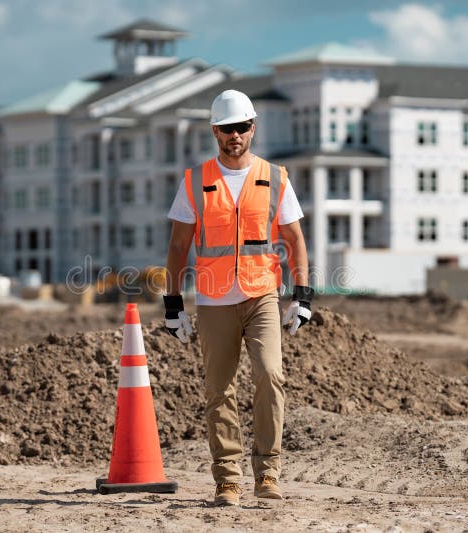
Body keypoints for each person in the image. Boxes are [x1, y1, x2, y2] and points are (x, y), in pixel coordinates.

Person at [164, 89, 313, 506]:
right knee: (219, 389)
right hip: (213, 299)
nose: (235, 135)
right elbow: (178, 246)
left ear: (253, 128)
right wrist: (173, 305)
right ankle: (227, 479)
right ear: (214, 130)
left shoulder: (275, 177)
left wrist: (302, 296)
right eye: (227, 128)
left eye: (242, 127)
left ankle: (268, 474)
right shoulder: (194, 181)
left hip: (262, 294)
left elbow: (294, 238)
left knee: (270, 376)